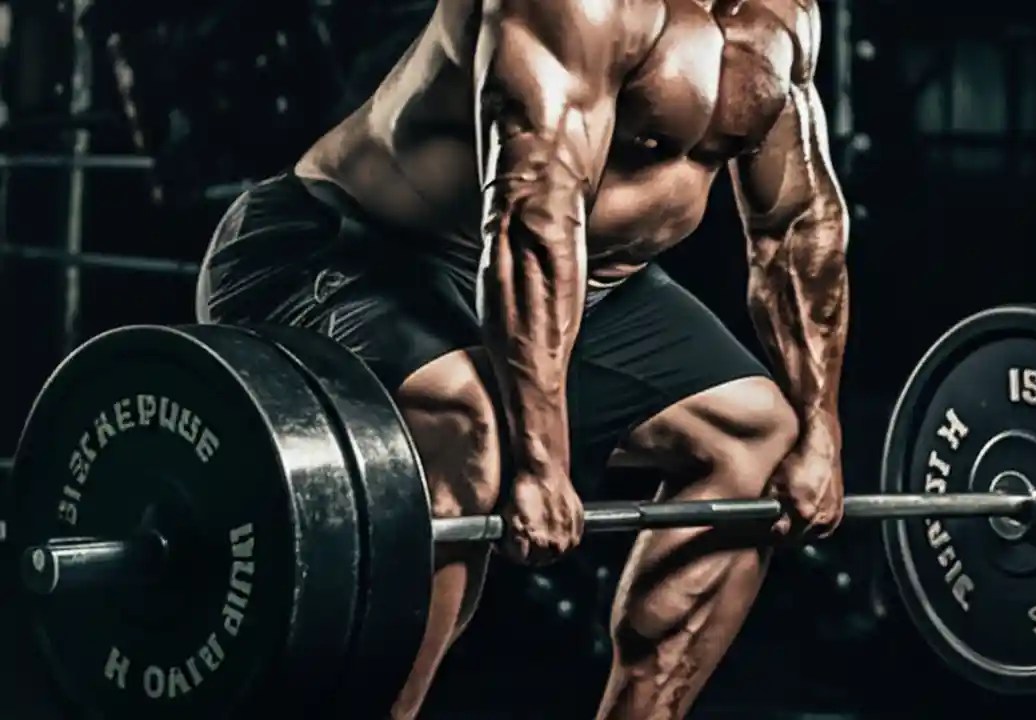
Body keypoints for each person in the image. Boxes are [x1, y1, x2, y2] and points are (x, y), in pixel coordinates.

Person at [195, 0, 849, 716]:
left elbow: (796, 226)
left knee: (756, 435)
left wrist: (822, 425)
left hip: (592, 284)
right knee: (467, 420)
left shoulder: (782, 16)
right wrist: (539, 459)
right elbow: (532, 213)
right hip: (352, 245)